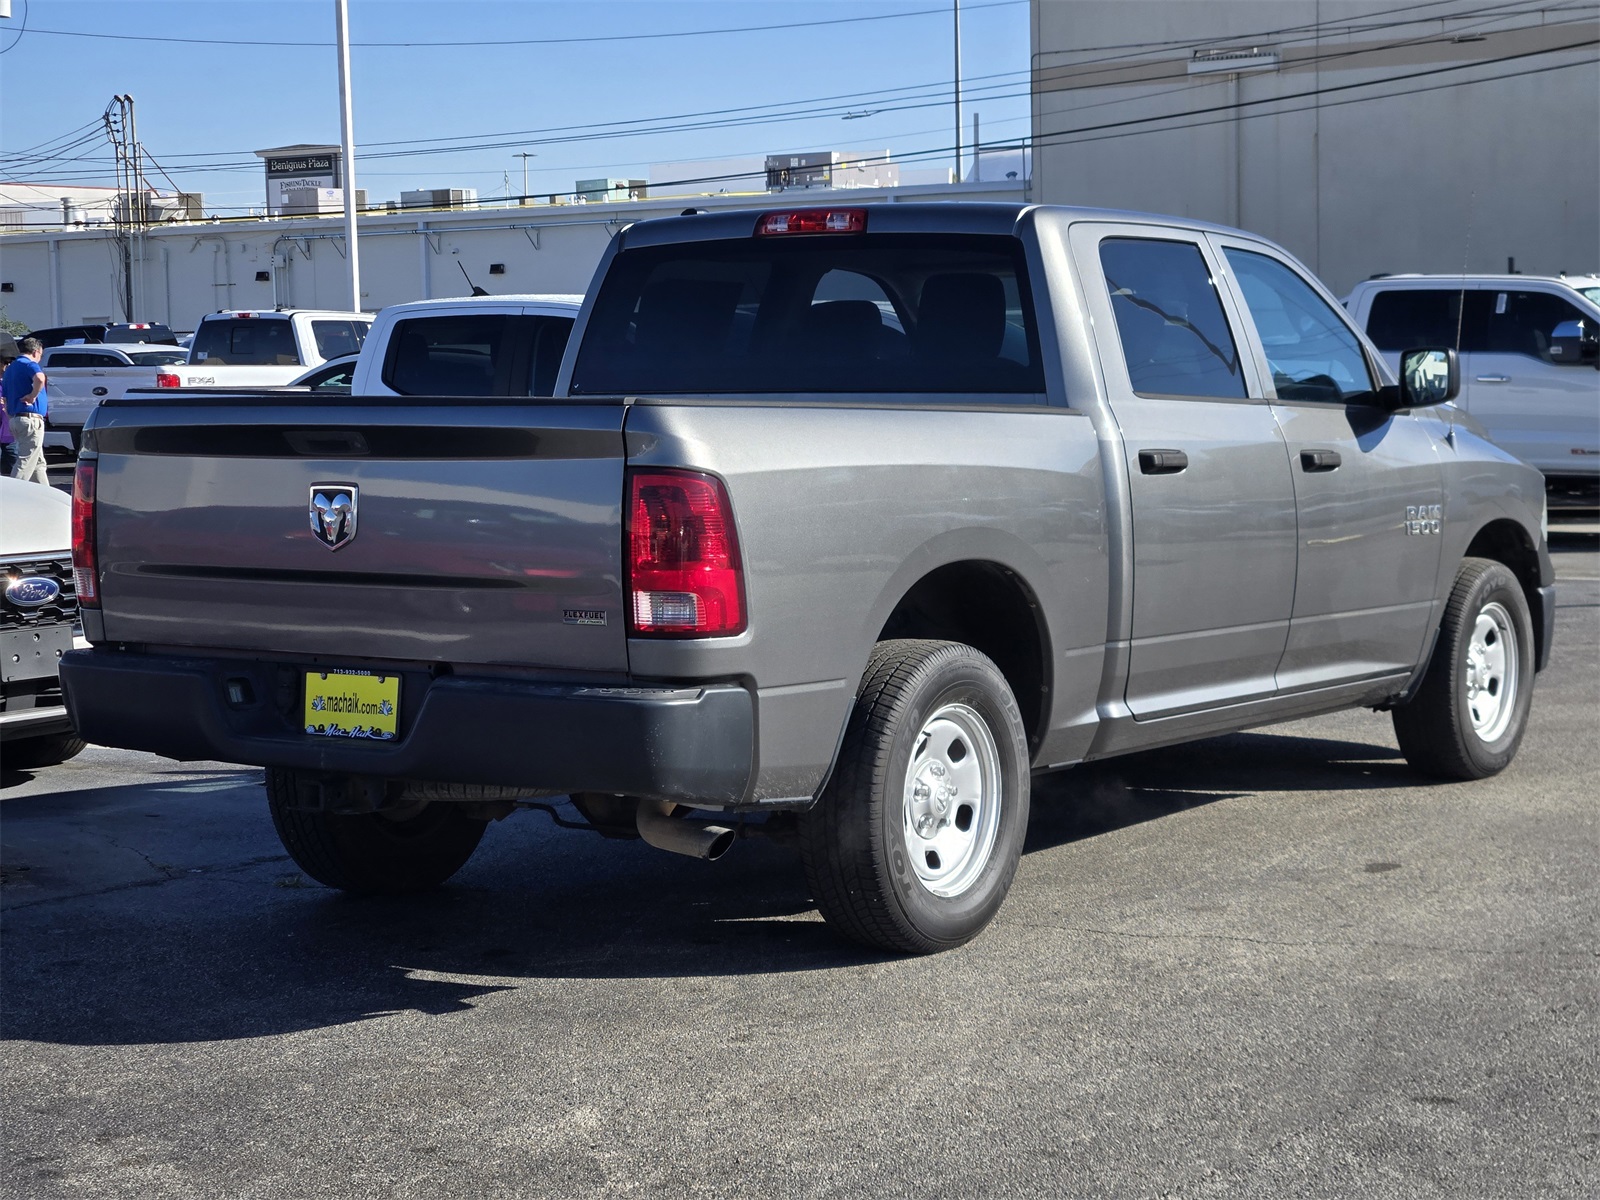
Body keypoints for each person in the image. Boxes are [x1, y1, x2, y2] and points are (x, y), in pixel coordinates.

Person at [2, 336, 50, 484]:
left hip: (16, 418)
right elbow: (40, 378)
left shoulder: (10, 370)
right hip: (31, 419)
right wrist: (32, 395)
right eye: (40, 355)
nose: (39, 359)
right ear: (35, 352)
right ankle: (10, 496)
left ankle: (46, 496)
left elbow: (6, 398)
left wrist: (11, 419)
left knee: (38, 464)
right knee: (25, 463)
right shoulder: (28, 364)